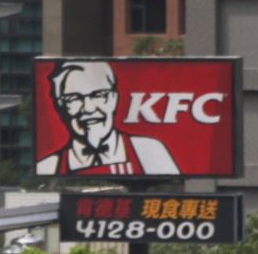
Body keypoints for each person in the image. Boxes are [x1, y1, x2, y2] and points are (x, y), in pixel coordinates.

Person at [34, 59, 181, 178]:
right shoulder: (49, 166)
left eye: (98, 95)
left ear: (114, 99)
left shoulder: (148, 150)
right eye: (74, 98)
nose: (89, 108)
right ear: (60, 106)